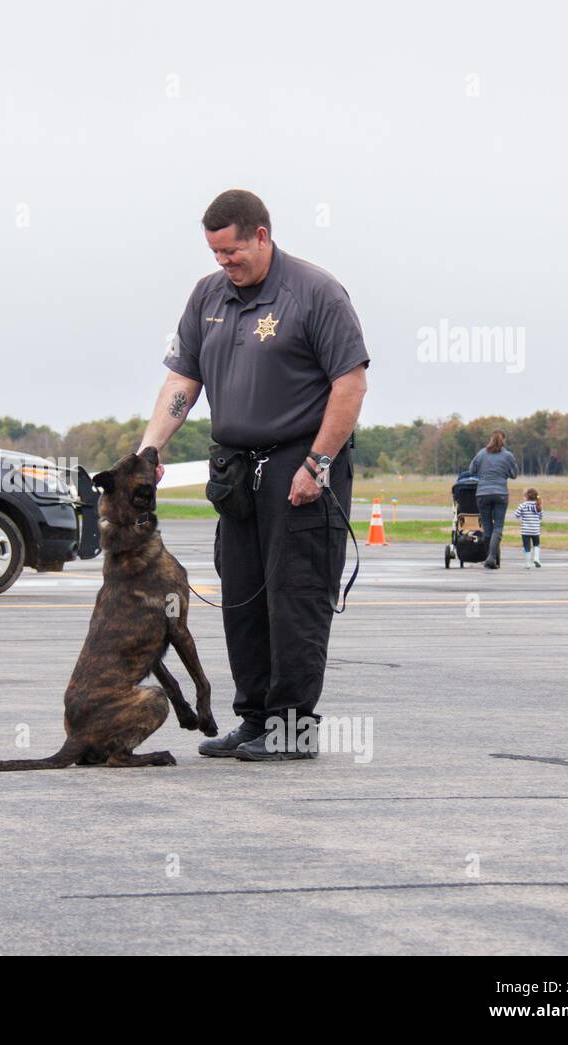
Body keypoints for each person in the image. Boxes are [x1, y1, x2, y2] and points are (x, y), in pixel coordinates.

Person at [137, 189, 369, 761]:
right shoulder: (207, 296)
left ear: (262, 236)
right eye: (215, 253)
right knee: (242, 596)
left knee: (296, 597)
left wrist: (319, 461)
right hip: (237, 469)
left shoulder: (315, 292)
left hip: (301, 462)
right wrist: (149, 448)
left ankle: (293, 729)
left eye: (233, 251)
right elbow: (182, 382)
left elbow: (350, 383)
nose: (224, 262)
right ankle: (255, 717)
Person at [468, 430, 518, 569]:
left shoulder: (482, 453)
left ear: (490, 439)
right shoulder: (508, 455)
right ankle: (491, 557)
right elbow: (514, 474)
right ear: (504, 440)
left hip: (482, 494)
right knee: (498, 527)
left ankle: (489, 557)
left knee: (487, 527)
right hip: (500, 493)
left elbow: (472, 469)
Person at [514, 487, 543, 568]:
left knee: (527, 547)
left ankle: (527, 564)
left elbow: (516, 515)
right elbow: (541, 517)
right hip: (535, 530)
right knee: (536, 545)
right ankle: (536, 559)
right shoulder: (538, 506)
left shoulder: (522, 505)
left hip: (525, 531)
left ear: (526, 496)